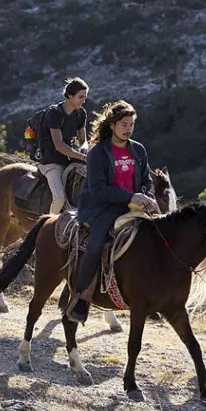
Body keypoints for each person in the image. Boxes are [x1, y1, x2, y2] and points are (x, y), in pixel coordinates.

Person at [66, 100, 157, 324]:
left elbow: (145, 179)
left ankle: (153, 295)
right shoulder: (98, 152)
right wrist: (130, 197)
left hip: (132, 206)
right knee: (97, 243)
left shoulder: (138, 149)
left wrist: (148, 197)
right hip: (101, 207)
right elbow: (98, 189)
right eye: (124, 124)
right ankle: (80, 297)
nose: (128, 129)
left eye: (131, 124)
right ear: (113, 125)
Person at [37, 77, 89, 214]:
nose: (84, 101)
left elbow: (83, 139)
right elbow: (59, 145)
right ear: (70, 96)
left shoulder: (81, 113)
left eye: (85, 97)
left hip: (70, 159)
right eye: (80, 97)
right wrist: (82, 157)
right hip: (51, 162)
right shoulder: (54, 113)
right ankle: (46, 227)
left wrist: (84, 148)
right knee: (59, 198)